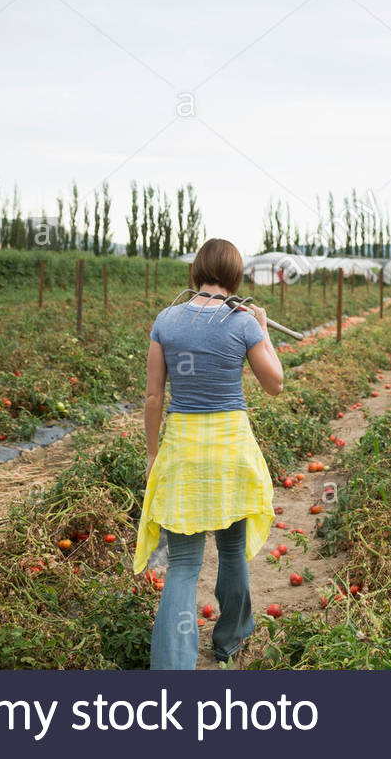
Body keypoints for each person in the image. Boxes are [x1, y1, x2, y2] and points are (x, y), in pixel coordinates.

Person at [132, 238, 284, 669]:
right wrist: (264, 330)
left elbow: (152, 396)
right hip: (230, 452)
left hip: (183, 452)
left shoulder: (167, 320)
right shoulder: (242, 323)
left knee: (182, 565)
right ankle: (229, 643)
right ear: (235, 278)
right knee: (233, 552)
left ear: (196, 272)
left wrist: (150, 455)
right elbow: (275, 383)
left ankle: (172, 670)